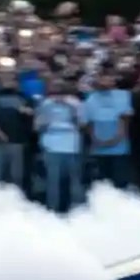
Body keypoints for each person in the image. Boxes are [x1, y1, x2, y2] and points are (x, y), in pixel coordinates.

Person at [35, 78, 84, 212]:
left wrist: (69, 106)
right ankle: (52, 210)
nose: (57, 91)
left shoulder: (75, 103)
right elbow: (38, 125)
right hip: (51, 146)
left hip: (72, 146)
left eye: (60, 87)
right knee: (53, 181)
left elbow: (81, 123)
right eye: (54, 88)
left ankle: (78, 211)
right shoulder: (45, 103)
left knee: (74, 180)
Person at [83, 71, 135, 189]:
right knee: (102, 182)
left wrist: (118, 137)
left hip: (119, 146)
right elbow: (88, 122)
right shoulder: (90, 98)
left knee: (120, 181)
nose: (105, 83)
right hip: (98, 146)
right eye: (102, 79)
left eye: (108, 79)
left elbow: (125, 118)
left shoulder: (123, 95)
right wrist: (94, 139)